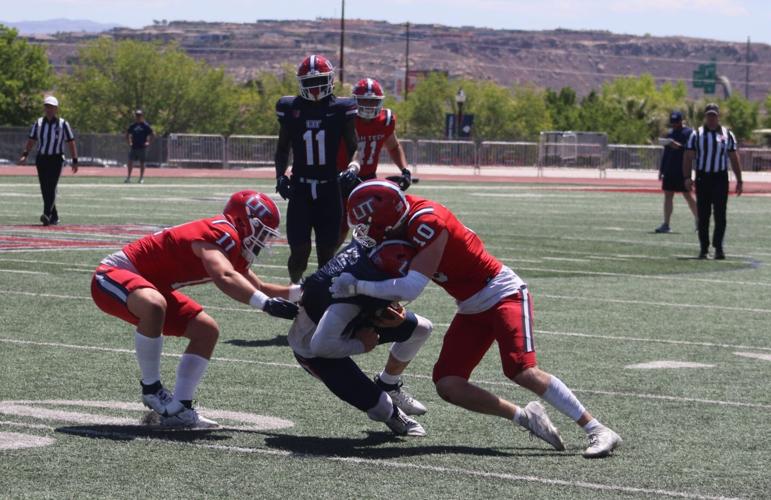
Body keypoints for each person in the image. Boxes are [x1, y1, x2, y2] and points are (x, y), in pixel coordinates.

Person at [331, 180, 623, 458]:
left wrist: (357, 286)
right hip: (471, 305)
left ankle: (597, 429)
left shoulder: (427, 222)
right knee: (448, 384)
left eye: (370, 222)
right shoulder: (398, 215)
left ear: (386, 214)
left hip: (502, 293)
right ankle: (526, 418)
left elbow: (411, 287)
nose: (368, 230)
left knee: (521, 370)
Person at [90, 190, 301, 429]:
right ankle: (151, 388)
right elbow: (224, 276)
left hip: (150, 287)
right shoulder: (223, 233)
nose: (263, 241)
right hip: (111, 275)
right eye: (261, 232)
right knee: (154, 304)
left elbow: (260, 288)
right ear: (243, 221)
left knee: (206, 330)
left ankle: (180, 409)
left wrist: (303, 292)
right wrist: (265, 304)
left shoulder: (233, 247)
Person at [288, 239, 432, 436]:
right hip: (315, 350)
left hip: (347, 321)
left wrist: (381, 313)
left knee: (421, 328)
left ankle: (388, 384)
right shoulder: (346, 300)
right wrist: (361, 344)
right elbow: (320, 346)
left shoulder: (367, 262)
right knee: (382, 408)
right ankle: (393, 414)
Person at [274, 54, 358, 283]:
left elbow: (354, 147)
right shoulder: (290, 108)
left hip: (329, 188)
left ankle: (321, 297)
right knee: (299, 254)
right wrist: (280, 176)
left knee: (326, 256)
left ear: (330, 80)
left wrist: (353, 167)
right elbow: (282, 149)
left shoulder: (341, 108)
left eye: (319, 80)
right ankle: (294, 288)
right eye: (310, 82)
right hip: (300, 189)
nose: (315, 87)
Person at [336, 78, 412, 248]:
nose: (369, 106)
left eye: (373, 101)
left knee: (375, 226)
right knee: (340, 227)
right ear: (355, 101)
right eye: (364, 101)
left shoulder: (385, 120)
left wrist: (405, 170)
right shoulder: (346, 119)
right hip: (343, 177)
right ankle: (329, 260)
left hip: (369, 179)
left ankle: (369, 259)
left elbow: (393, 146)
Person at [683, 103, 744, 260]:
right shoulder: (697, 134)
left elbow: (734, 157)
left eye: (714, 115)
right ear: (705, 116)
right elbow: (688, 156)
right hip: (703, 177)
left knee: (720, 214)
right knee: (703, 214)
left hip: (720, 178)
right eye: (709, 115)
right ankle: (704, 248)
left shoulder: (727, 134)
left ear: (718, 117)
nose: (711, 118)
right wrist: (687, 177)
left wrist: (739, 180)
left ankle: (718, 247)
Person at [18, 95, 78, 226]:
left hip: (56, 159)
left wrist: (75, 160)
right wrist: (25, 154)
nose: (49, 109)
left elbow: (71, 142)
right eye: (47, 107)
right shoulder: (39, 123)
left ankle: (46, 214)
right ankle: (54, 215)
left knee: (51, 186)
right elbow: (32, 140)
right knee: (44, 187)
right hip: (42, 158)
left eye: (51, 107)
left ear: (56, 109)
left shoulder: (63, 124)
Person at [655, 111, 697, 233]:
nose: (674, 125)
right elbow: (666, 153)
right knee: (668, 195)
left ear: (681, 121)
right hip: (669, 169)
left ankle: (700, 221)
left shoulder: (689, 133)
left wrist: (678, 146)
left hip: (682, 169)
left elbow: (692, 151)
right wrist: (661, 169)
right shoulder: (670, 133)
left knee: (687, 195)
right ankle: (666, 224)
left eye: (676, 122)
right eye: (673, 122)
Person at [125, 110, 154, 184]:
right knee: (130, 161)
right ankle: (128, 177)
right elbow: (127, 134)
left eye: (139, 115)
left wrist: (148, 142)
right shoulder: (133, 125)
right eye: (137, 115)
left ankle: (141, 178)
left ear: (142, 116)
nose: (138, 117)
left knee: (142, 162)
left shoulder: (145, 125)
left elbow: (152, 134)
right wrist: (129, 142)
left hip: (142, 147)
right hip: (134, 147)